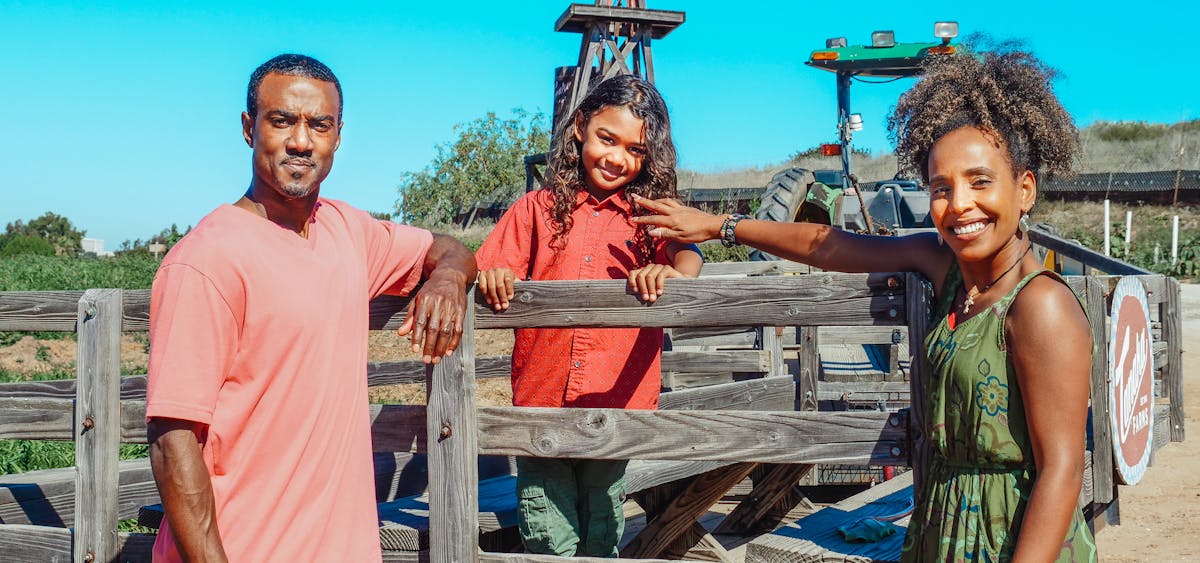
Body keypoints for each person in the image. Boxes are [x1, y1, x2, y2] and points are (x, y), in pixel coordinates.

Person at [631, 47, 1097, 562]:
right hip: (943, 526)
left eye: (980, 181)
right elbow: (824, 244)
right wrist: (720, 226)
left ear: (1025, 189)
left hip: (1015, 537)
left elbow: (1063, 470)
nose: (959, 203)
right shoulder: (946, 270)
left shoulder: (1040, 305)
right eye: (941, 187)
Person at [145, 54, 477, 563]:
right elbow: (172, 443)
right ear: (247, 127)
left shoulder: (348, 232)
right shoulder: (206, 260)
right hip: (244, 547)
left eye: (318, 124)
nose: (301, 140)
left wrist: (450, 278)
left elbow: (450, 247)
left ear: (338, 135)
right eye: (281, 120)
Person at [475, 74, 703, 556]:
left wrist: (672, 273)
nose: (618, 158)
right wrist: (493, 277)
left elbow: (688, 257)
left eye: (636, 150)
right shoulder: (536, 209)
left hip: (614, 405)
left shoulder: (649, 218)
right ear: (579, 127)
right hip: (541, 406)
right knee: (547, 533)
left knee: (603, 529)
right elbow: (492, 267)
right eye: (607, 138)